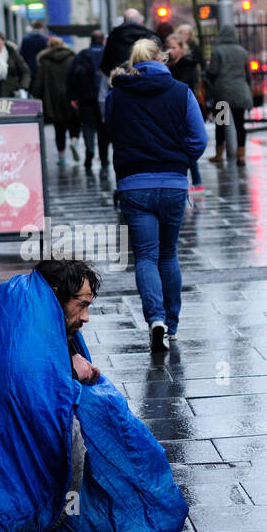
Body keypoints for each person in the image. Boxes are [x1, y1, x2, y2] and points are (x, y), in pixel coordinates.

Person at [0, 259, 188, 532]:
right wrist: (72, 377)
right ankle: (144, 511)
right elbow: (29, 390)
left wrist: (69, 369)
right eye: (82, 305)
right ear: (56, 291)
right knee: (99, 414)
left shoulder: (37, 305)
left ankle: (145, 507)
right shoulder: (28, 310)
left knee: (104, 409)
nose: (86, 317)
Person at [105, 37, 208, 350]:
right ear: (162, 58)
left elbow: (111, 131)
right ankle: (172, 325)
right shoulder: (180, 91)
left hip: (134, 185)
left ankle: (156, 320)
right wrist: (179, 156)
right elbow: (199, 139)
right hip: (174, 183)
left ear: (134, 62)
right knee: (168, 254)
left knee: (145, 257)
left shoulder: (116, 95)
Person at [207, 23, 252, 166]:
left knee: (221, 124)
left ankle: (219, 154)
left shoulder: (217, 51)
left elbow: (213, 71)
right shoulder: (242, 51)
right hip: (240, 92)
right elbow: (248, 74)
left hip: (222, 94)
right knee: (240, 125)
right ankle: (241, 155)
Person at [166, 30, 205, 196]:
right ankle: (193, 180)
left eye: (173, 47)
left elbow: (184, 85)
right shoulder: (170, 65)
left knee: (185, 143)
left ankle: (196, 180)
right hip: (175, 109)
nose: (170, 51)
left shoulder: (186, 63)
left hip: (186, 108)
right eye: (168, 48)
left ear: (181, 48)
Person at [32, 34, 79, 163]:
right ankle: (74, 141)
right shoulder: (71, 58)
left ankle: (62, 156)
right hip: (70, 97)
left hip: (52, 100)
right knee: (73, 122)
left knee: (59, 128)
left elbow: (39, 83)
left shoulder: (45, 61)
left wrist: (35, 96)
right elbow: (77, 77)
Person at [67, 33, 110, 172]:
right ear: (103, 40)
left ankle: (89, 151)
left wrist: (73, 97)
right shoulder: (107, 54)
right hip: (104, 98)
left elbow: (71, 76)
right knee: (103, 128)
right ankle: (104, 157)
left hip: (85, 98)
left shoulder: (82, 55)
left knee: (88, 127)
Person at [101, 8, 160, 77]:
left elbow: (106, 64)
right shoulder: (150, 37)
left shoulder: (113, 37)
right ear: (139, 20)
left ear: (124, 20)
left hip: (121, 81)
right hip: (146, 80)